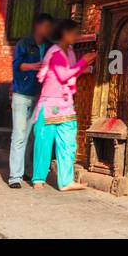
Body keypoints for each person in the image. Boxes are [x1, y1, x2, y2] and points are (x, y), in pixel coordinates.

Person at [32, 19, 95, 192]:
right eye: (74, 32)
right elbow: (64, 75)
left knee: (68, 144)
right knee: (44, 144)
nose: (76, 36)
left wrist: (85, 65)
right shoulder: (55, 53)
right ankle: (38, 178)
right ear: (64, 33)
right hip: (50, 104)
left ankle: (66, 181)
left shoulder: (71, 52)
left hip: (66, 104)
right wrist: (84, 62)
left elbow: (73, 73)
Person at [8, 13, 55, 189]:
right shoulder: (24, 44)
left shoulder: (50, 47)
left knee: (32, 134)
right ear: (38, 26)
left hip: (39, 95)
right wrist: (34, 66)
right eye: (46, 27)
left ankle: (27, 169)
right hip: (22, 94)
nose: (48, 30)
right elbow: (17, 66)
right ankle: (15, 176)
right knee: (19, 134)